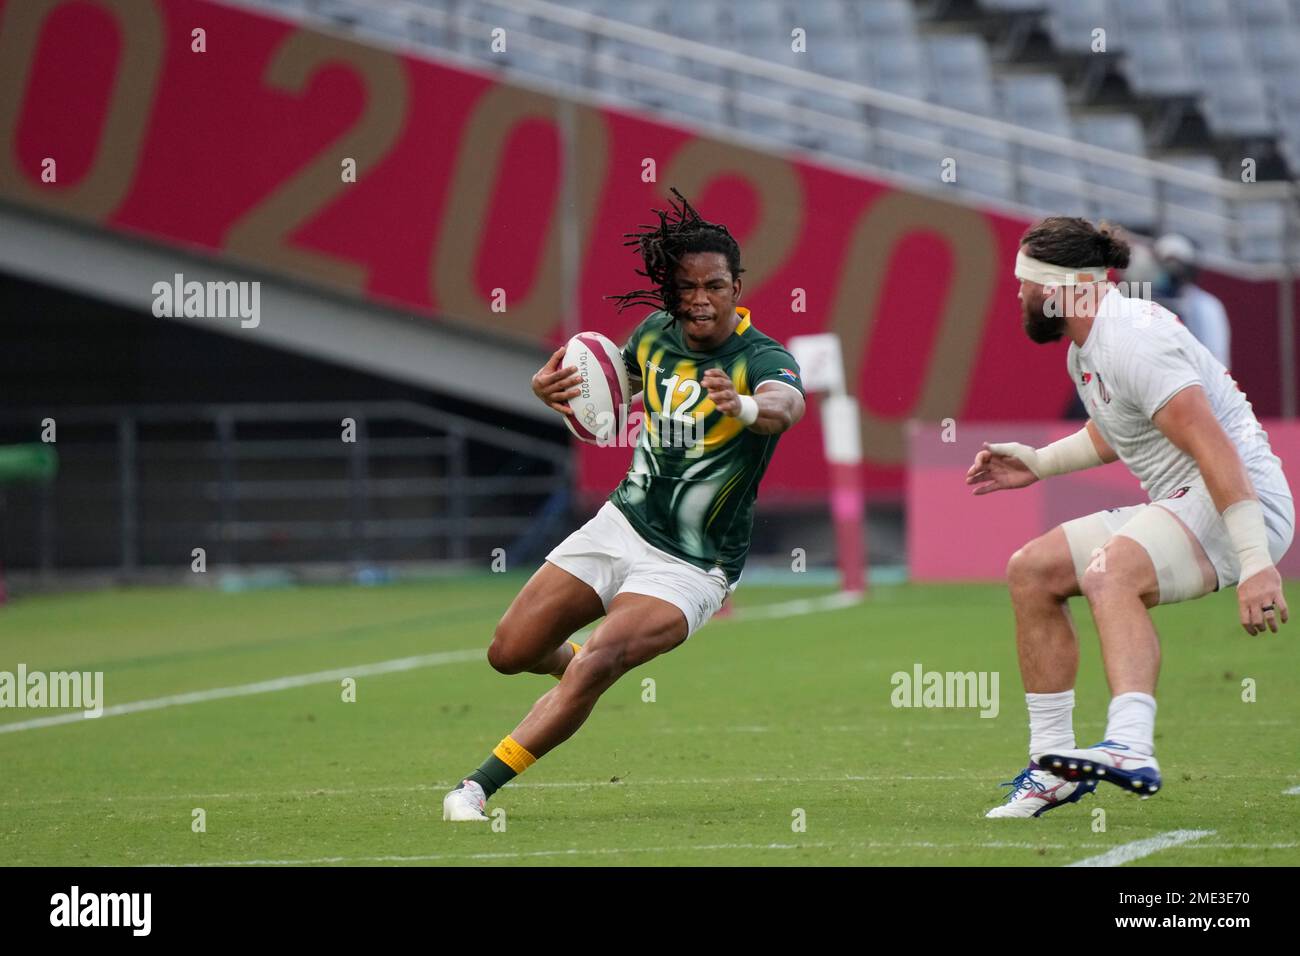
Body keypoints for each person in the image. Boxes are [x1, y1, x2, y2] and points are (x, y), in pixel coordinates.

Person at [443, 189, 806, 821]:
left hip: (693, 562)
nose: (699, 298)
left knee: (601, 661)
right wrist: (547, 387)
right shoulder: (653, 336)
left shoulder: (761, 359)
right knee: (510, 652)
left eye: (715, 285)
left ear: (737, 286)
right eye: (686, 286)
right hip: (621, 524)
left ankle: (476, 788)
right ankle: (581, 672)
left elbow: (785, 407)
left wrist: (744, 406)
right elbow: (605, 388)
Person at [967, 217, 1293, 818]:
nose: (1017, 293)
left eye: (1025, 281)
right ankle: (1051, 767)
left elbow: (1214, 447)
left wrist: (1256, 563)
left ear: (1062, 288)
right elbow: (1117, 430)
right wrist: (1038, 462)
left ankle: (1131, 744)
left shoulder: (1132, 337)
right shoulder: (1089, 349)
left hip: (1241, 499)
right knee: (1032, 571)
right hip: (1185, 496)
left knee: (1108, 572)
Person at [1153, 233, 1231, 368]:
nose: (1171, 271)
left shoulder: (1207, 306)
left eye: (1175, 264)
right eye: (1165, 263)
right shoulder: (1144, 304)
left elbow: (1216, 359)